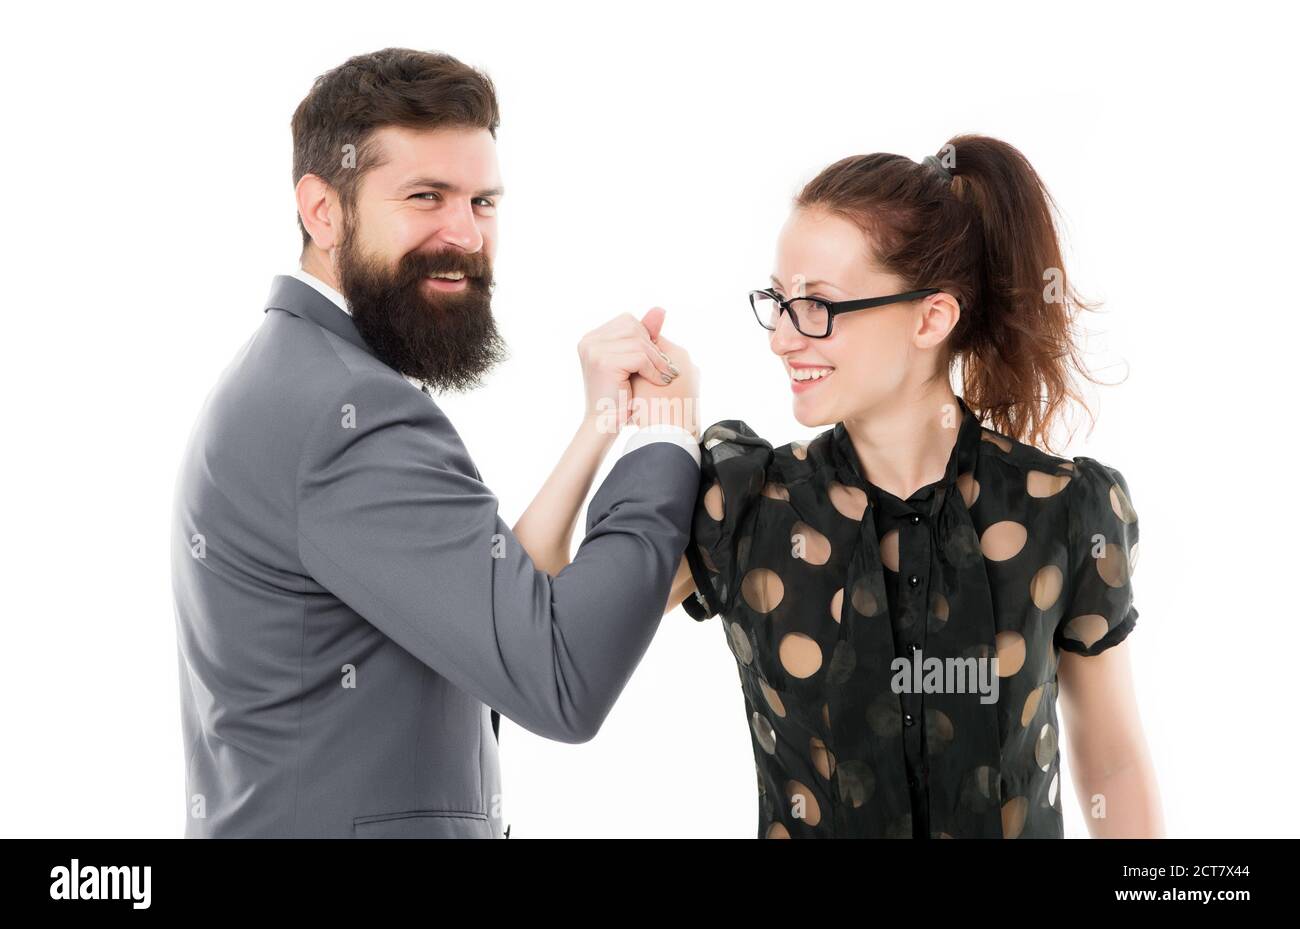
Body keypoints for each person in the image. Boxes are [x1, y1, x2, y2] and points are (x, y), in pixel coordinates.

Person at [170, 47, 701, 838]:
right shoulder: (344, 411)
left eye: (483, 201)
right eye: (427, 197)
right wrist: (667, 438)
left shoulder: (308, 374)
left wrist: (602, 427)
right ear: (324, 210)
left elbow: (502, 607)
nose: (465, 233)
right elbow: (558, 676)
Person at [647, 135, 1162, 838]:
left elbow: (1112, 766)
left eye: (818, 305)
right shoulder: (743, 506)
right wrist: (627, 430)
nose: (783, 338)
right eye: (779, 300)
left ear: (931, 318)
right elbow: (553, 633)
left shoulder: (1064, 512)